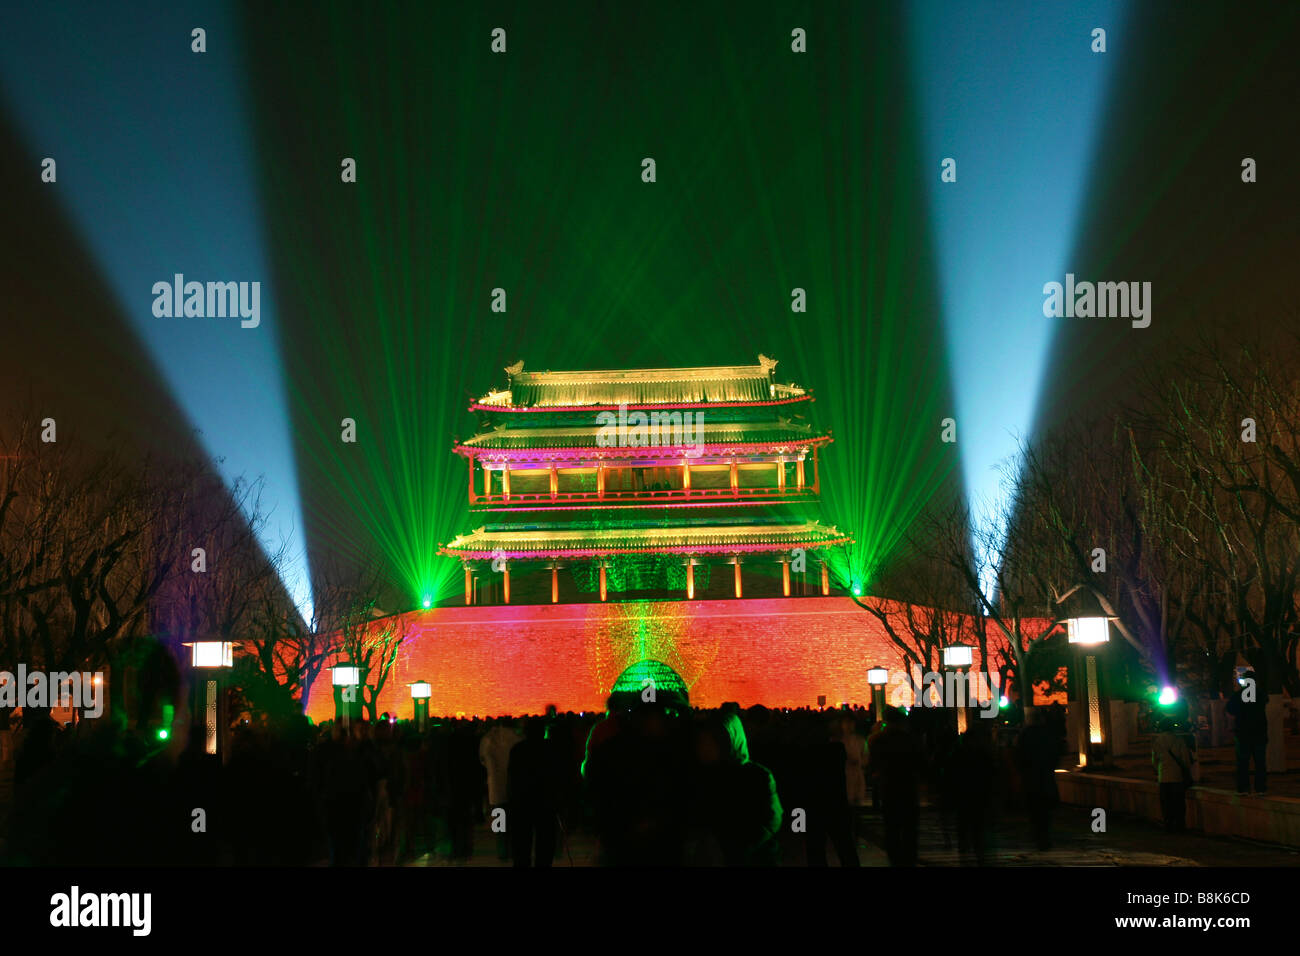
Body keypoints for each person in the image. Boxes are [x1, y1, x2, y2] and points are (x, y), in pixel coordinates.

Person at [686, 711, 783, 866]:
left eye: (710, 742)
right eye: (701, 742)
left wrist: (735, 849)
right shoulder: (701, 776)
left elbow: (770, 819)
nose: (703, 747)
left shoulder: (757, 776)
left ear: (726, 742)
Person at [866, 707, 924, 866]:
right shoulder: (911, 740)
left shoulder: (879, 741)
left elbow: (873, 764)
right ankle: (909, 861)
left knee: (892, 829)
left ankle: (896, 860)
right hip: (908, 788)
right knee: (909, 831)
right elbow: (921, 764)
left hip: (889, 788)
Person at [1015, 708, 1062, 851]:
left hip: (1031, 779)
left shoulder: (1025, 735)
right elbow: (1055, 754)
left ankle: (1038, 835)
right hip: (1045, 777)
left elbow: (1019, 757)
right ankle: (1045, 836)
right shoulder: (1048, 734)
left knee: (1035, 810)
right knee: (1045, 811)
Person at [479, 718, 521, 859]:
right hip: (513, 788)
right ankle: (513, 849)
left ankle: (502, 851)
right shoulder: (516, 739)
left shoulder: (488, 739)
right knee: (513, 823)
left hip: (496, 788)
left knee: (499, 823)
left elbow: (483, 759)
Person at [1225, 670, 1268, 795]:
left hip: (1243, 734)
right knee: (1260, 763)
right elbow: (1265, 701)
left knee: (1243, 763)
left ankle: (1244, 788)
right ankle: (1260, 788)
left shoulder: (1238, 695)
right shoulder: (1260, 694)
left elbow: (1230, 709)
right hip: (1259, 733)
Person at [1151, 717, 1194, 832]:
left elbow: (1154, 760)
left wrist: (1158, 770)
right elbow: (1185, 759)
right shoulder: (1178, 740)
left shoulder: (1157, 741)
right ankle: (1180, 826)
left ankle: (1168, 825)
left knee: (1166, 803)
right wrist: (1187, 771)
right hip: (1177, 776)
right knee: (1179, 803)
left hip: (1163, 776)